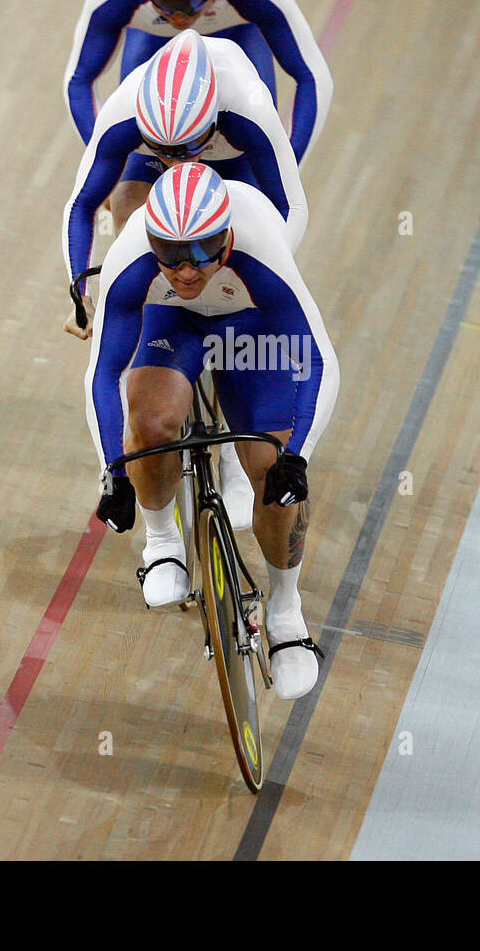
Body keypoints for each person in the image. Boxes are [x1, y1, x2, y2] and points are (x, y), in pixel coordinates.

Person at [85, 162, 338, 699]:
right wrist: (112, 470)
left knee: (271, 470)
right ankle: (162, 543)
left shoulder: (259, 251)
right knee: (150, 423)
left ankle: (287, 614)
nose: (185, 270)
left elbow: (319, 361)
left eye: (201, 252)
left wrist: (300, 456)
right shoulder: (132, 261)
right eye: (170, 253)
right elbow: (102, 374)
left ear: (225, 237)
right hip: (173, 326)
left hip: (252, 327)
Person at [61, 28, 308, 335]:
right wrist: (81, 295)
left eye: (189, 148)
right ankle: (155, 328)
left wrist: (270, 268)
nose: (177, 165)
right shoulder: (123, 111)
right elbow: (83, 204)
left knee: (247, 241)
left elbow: (291, 204)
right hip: (155, 154)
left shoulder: (248, 110)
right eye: (166, 151)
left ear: (214, 122)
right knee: (129, 214)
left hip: (234, 158)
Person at [63, 0, 332, 165]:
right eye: (165, 1)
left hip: (235, 39)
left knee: (256, 164)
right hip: (157, 45)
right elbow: (79, 80)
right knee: (130, 188)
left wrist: (289, 166)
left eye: (194, 1)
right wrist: (107, 163)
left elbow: (312, 76)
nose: (180, 17)